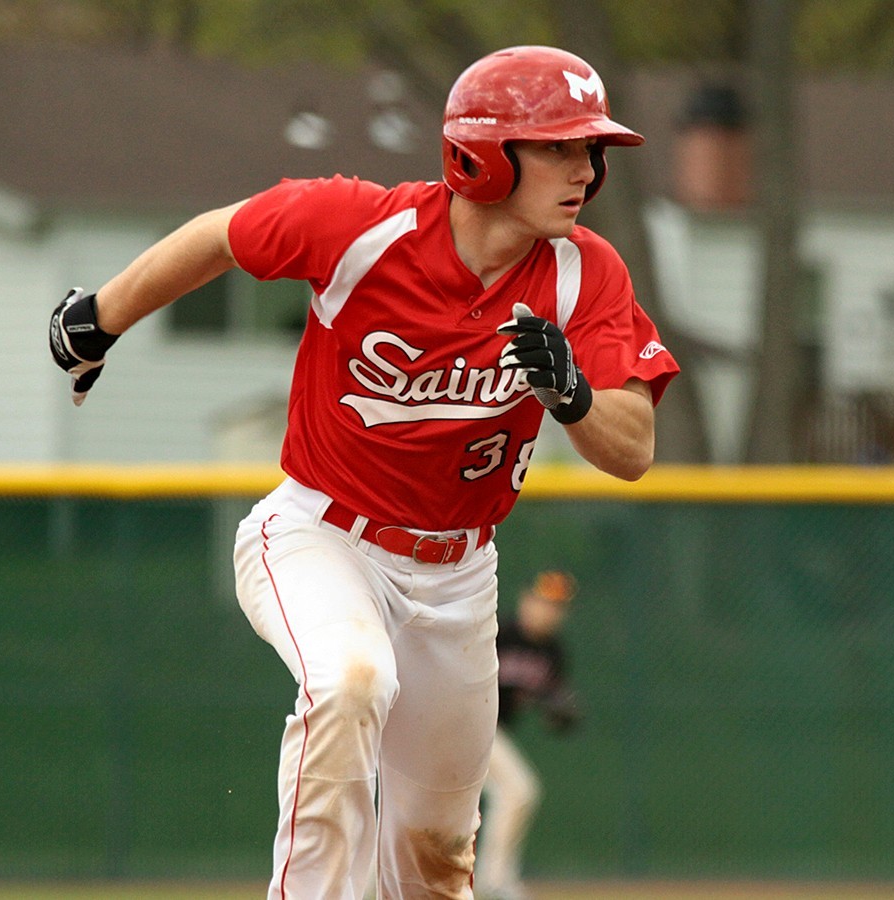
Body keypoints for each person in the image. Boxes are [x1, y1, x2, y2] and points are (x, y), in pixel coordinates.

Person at [48, 44, 679, 900]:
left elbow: (633, 448)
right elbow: (221, 235)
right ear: (482, 156)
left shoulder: (584, 273)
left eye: (590, 149)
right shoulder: (359, 226)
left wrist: (570, 394)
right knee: (350, 679)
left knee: (433, 865)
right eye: (559, 146)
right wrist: (97, 320)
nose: (585, 169)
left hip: (460, 580)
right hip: (319, 535)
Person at [476, 571, 582, 900]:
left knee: (515, 792)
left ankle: (493, 880)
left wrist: (560, 714)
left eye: (557, 607)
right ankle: (493, 881)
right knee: (517, 790)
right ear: (527, 600)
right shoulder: (498, 633)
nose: (548, 611)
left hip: (491, 732)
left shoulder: (553, 652)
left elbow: (557, 710)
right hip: (462, 722)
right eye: (543, 602)